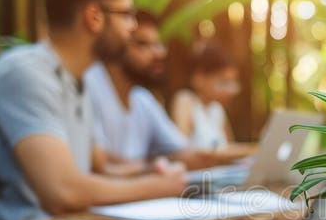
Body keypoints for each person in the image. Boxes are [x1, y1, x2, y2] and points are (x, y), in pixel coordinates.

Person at [0, 0, 186, 220]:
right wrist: (157, 187)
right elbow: (63, 193)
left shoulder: (78, 81)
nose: (133, 26)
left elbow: (101, 166)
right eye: (126, 14)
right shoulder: (25, 74)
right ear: (94, 17)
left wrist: (149, 171)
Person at [84, 11, 243, 170]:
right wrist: (153, 168)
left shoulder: (143, 101)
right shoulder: (89, 85)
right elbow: (101, 165)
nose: (159, 53)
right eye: (143, 44)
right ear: (115, 45)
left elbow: (183, 153)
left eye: (159, 44)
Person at [171, 41, 246, 151]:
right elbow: (182, 152)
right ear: (199, 79)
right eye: (223, 82)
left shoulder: (217, 108)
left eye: (232, 83)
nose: (229, 90)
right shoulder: (185, 101)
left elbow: (230, 147)